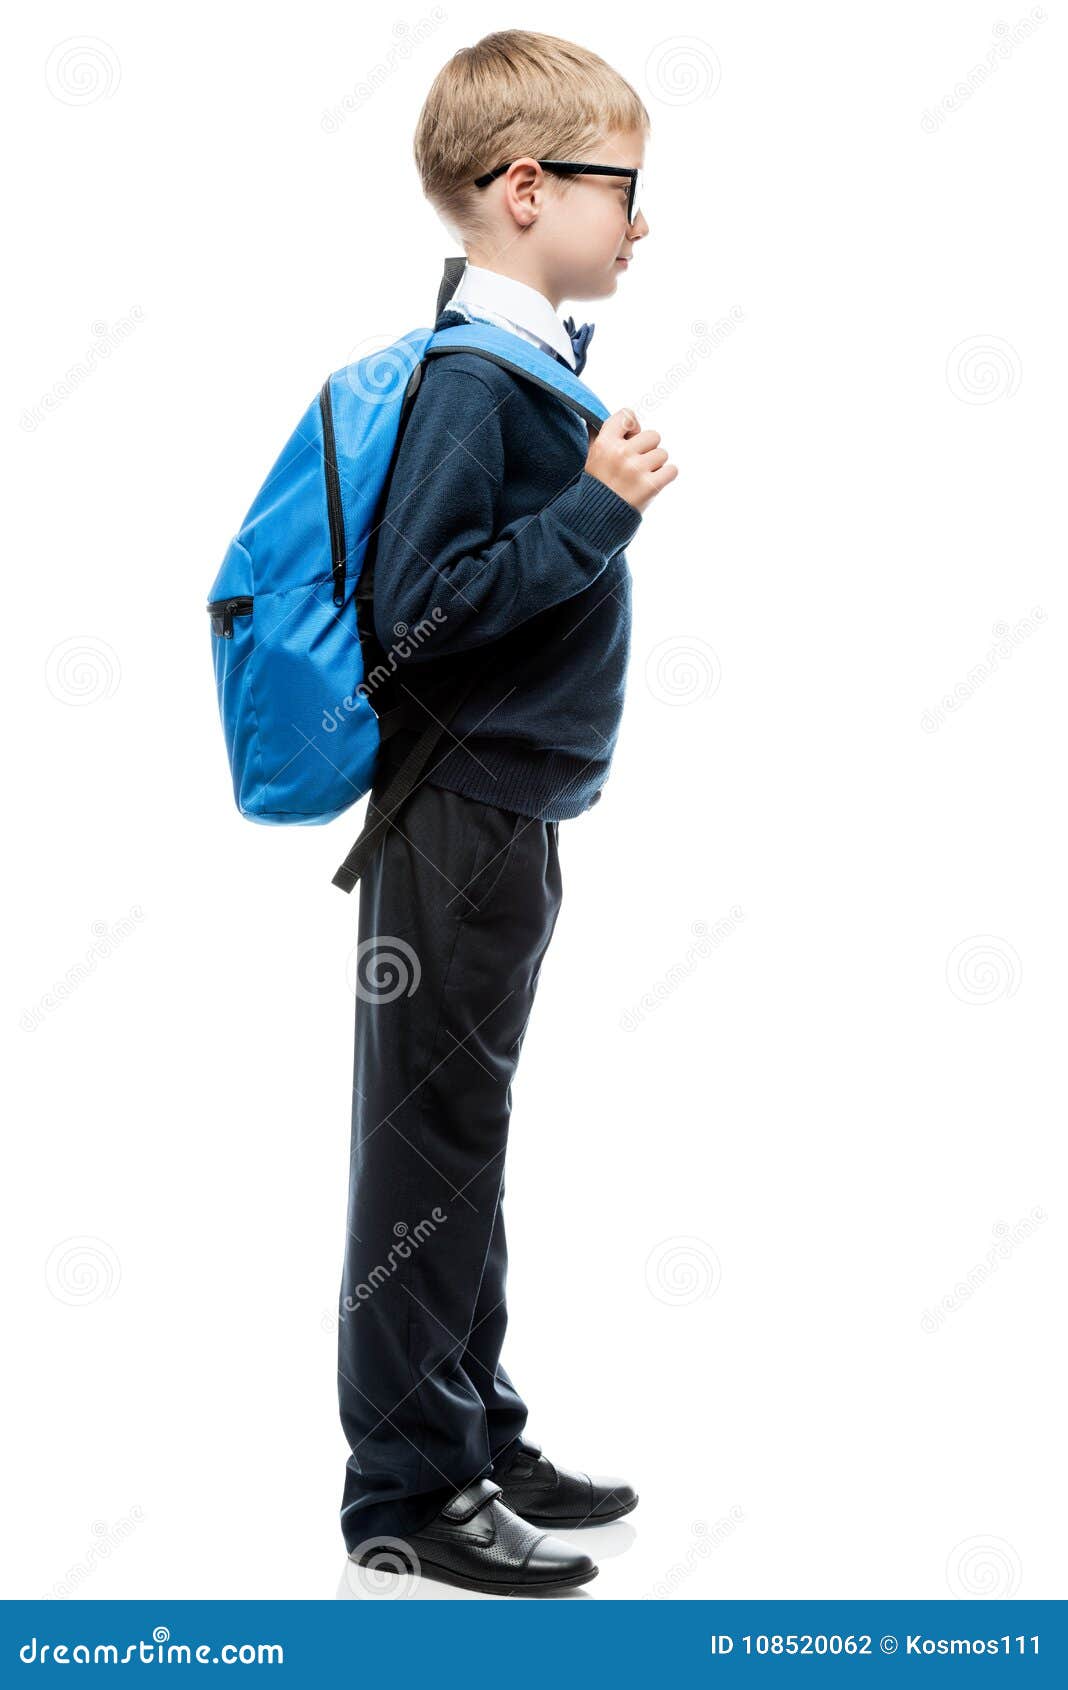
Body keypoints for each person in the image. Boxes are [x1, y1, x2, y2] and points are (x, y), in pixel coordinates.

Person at [337, 29, 679, 1596]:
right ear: (527, 188)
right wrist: (596, 512)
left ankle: (471, 1426)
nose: (644, 219)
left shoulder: (515, 360)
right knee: (432, 1152)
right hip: (459, 815)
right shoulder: (481, 378)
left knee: (463, 1138)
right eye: (626, 187)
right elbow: (422, 609)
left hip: (498, 813)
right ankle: (407, 1488)